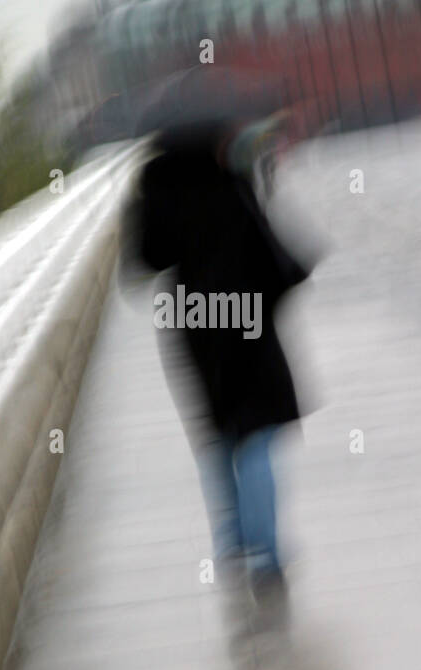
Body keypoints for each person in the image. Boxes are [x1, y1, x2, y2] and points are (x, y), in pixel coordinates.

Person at [129, 118, 310, 600]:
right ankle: (267, 555)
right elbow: (267, 249)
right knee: (257, 433)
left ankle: (232, 539)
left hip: (191, 320)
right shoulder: (229, 176)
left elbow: (146, 261)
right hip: (246, 316)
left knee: (216, 433)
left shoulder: (154, 183)